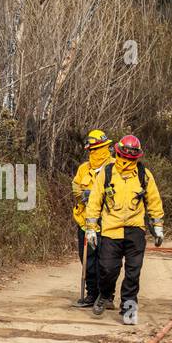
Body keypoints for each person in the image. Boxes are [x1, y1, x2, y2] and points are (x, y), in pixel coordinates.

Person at [83, 135, 164, 325]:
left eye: (132, 158)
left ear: (137, 157)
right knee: (107, 269)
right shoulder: (107, 173)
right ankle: (105, 295)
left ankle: (128, 309)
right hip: (111, 230)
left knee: (133, 273)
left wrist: (158, 227)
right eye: (125, 157)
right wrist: (91, 229)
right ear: (119, 153)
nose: (128, 161)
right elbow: (95, 201)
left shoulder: (144, 174)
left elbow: (154, 201)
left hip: (135, 230)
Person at [71, 129, 113, 308]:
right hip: (84, 221)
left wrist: (99, 195)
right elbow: (75, 187)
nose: (92, 153)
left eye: (95, 149)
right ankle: (92, 294)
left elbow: (119, 193)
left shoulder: (114, 167)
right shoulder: (83, 168)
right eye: (91, 150)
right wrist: (83, 195)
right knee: (87, 259)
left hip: (107, 222)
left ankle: (107, 296)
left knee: (106, 261)